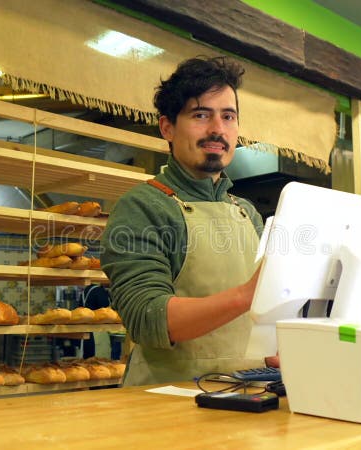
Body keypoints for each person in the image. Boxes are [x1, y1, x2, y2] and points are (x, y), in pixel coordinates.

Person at [101, 56, 268, 386]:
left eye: (228, 116)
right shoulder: (142, 206)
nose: (217, 129)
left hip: (251, 393)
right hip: (167, 404)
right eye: (201, 114)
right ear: (167, 128)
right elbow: (148, 319)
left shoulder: (247, 212)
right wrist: (247, 295)